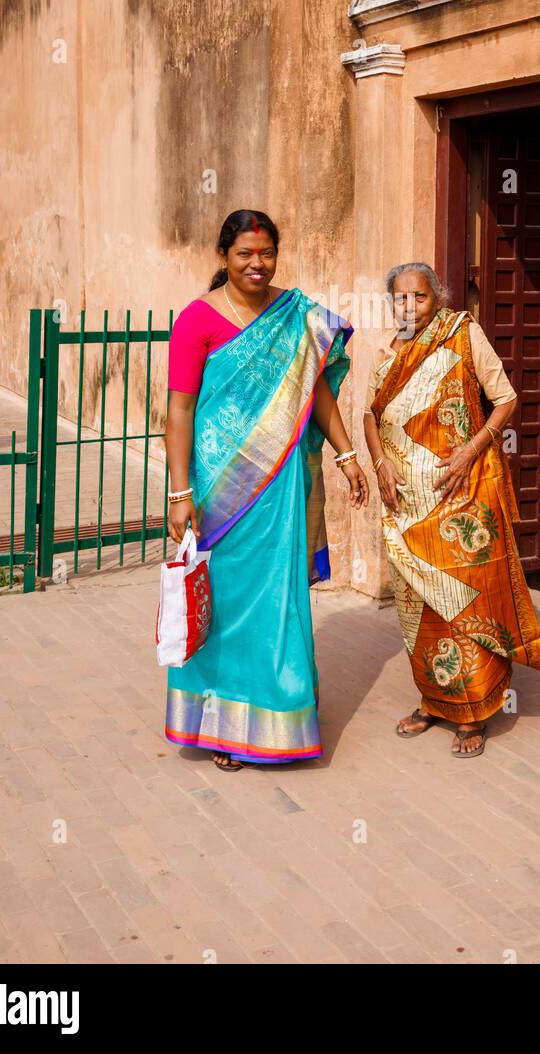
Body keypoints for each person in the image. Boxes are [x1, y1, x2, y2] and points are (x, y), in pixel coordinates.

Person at [164, 208, 368, 771]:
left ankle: (279, 707)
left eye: (267, 252)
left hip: (279, 488)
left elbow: (316, 394)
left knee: (279, 599)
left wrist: (348, 455)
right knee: (224, 601)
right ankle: (226, 723)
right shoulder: (197, 321)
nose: (257, 263)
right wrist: (180, 494)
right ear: (223, 257)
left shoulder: (295, 317)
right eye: (244, 254)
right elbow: (179, 410)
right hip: (219, 488)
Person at [363, 263, 540, 757]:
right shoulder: (388, 351)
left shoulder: (463, 334)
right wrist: (378, 461)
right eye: (400, 299)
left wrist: (472, 448)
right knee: (418, 608)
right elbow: (369, 415)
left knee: (467, 602)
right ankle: (434, 699)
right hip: (405, 505)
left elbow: (505, 399)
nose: (409, 307)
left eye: (419, 298)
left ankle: (478, 710)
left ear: (437, 298)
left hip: (461, 499)